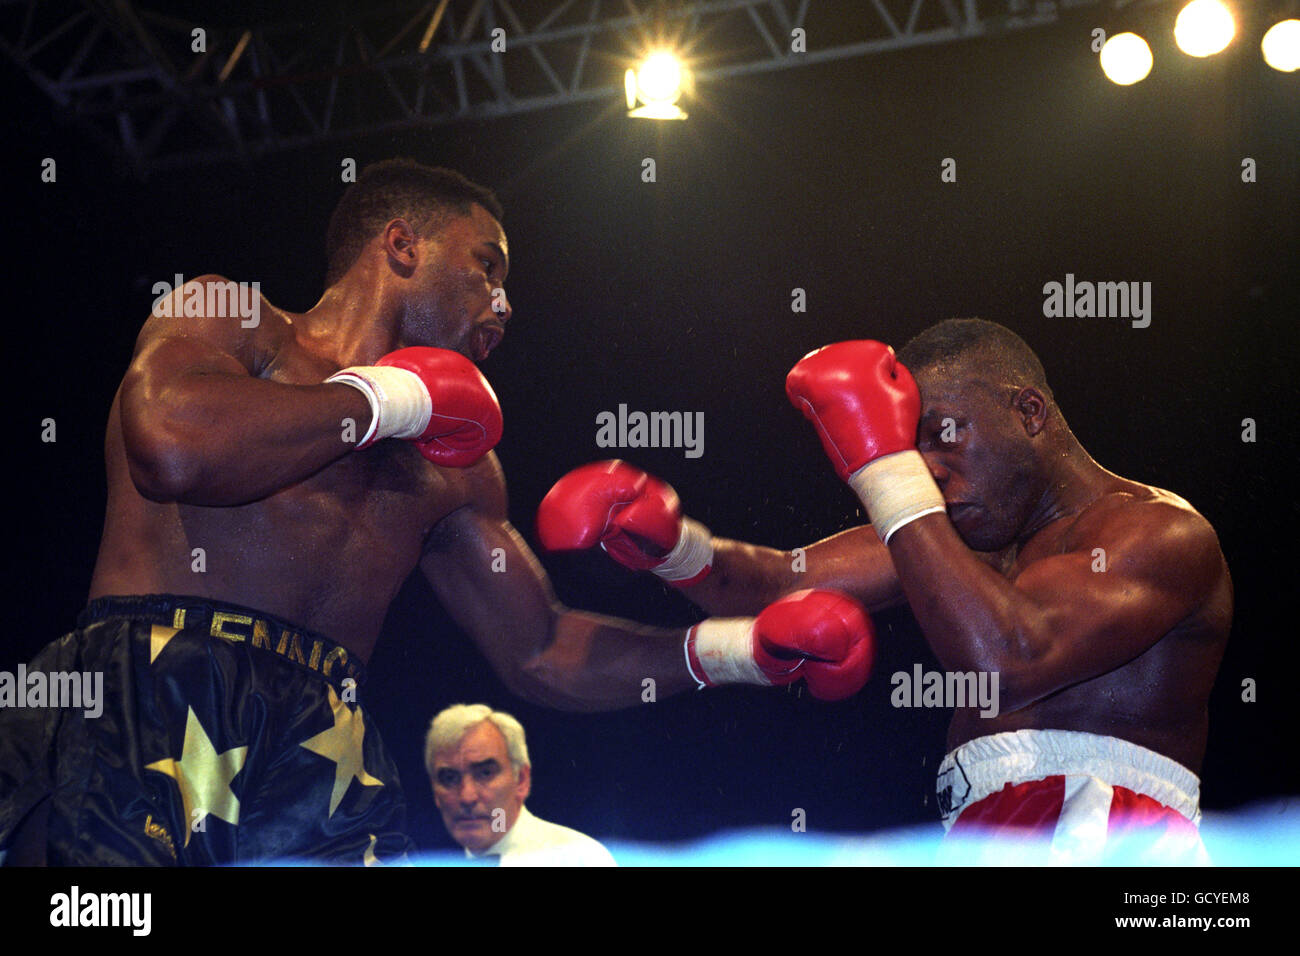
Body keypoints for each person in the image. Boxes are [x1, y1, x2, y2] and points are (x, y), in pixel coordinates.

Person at [0, 158, 874, 866]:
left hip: (323, 731)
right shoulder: (235, 319)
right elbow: (172, 446)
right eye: (485, 266)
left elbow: (540, 651)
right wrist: (386, 398)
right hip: (152, 676)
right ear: (401, 245)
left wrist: (731, 653)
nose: (503, 302)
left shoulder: (454, 470)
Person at [541, 318, 1231, 863]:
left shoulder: (1156, 534)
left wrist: (885, 469)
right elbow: (785, 581)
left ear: (1029, 412)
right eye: (910, 450)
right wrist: (671, 545)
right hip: (986, 825)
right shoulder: (963, 544)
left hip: (1098, 822)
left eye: (944, 438)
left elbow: (1009, 660)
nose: (927, 472)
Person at [425, 703, 616, 865]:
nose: (467, 796)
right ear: (435, 792)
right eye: (449, 778)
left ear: (521, 780)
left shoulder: (581, 859)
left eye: (485, 773)